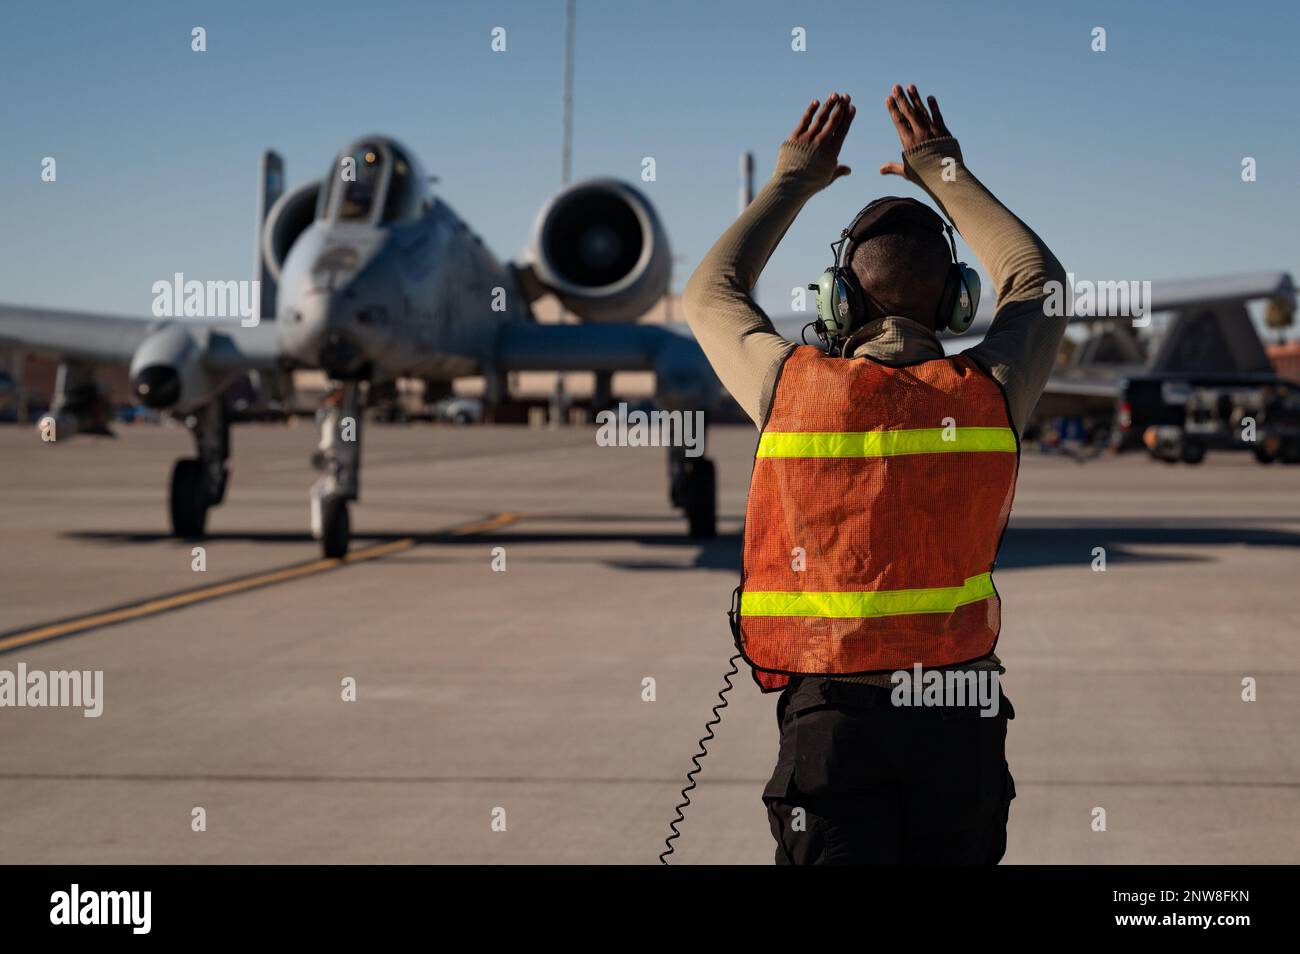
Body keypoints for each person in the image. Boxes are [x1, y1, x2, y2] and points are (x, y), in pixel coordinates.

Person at [683, 86, 1067, 864]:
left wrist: (796, 174)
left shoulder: (790, 388)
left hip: (833, 720)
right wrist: (943, 171)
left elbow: (710, 293)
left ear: (837, 301)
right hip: (960, 713)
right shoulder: (991, 391)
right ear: (958, 303)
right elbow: (1038, 279)